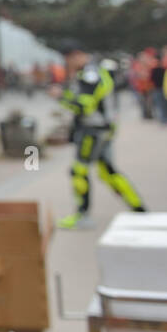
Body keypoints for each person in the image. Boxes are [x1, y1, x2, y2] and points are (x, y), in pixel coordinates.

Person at [57, 48, 146, 228]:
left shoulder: (90, 75)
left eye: (68, 59)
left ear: (77, 56)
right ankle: (138, 208)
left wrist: (60, 97)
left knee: (79, 170)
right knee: (107, 171)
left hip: (92, 130)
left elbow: (84, 106)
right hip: (103, 129)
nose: (68, 64)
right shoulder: (92, 72)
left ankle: (82, 215)